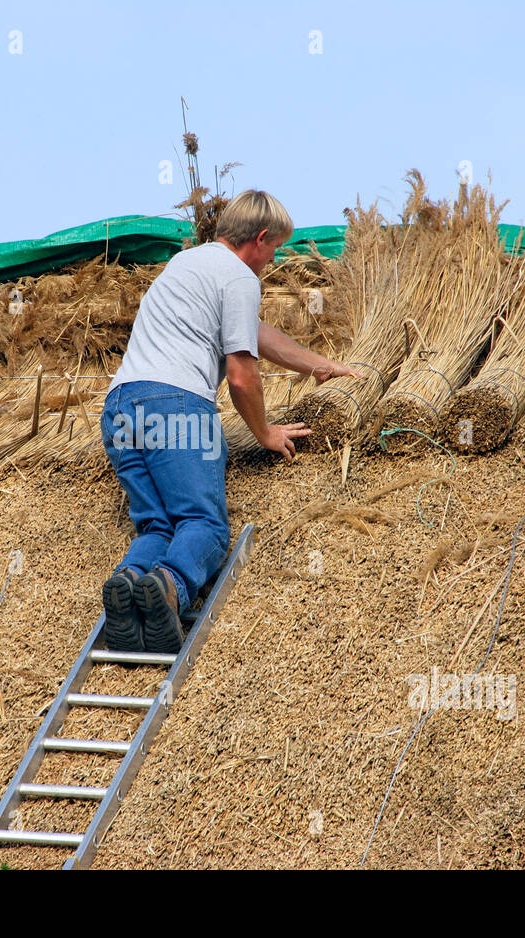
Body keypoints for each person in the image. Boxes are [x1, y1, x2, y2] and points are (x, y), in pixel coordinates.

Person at [99, 189, 361, 653]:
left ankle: (131, 585)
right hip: (176, 406)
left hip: (122, 408)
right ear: (259, 239)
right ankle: (170, 589)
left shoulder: (188, 264)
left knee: (157, 527)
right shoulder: (240, 277)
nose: (272, 259)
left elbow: (257, 335)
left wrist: (318, 364)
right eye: (275, 248)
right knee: (205, 525)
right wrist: (266, 433)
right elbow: (241, 377)